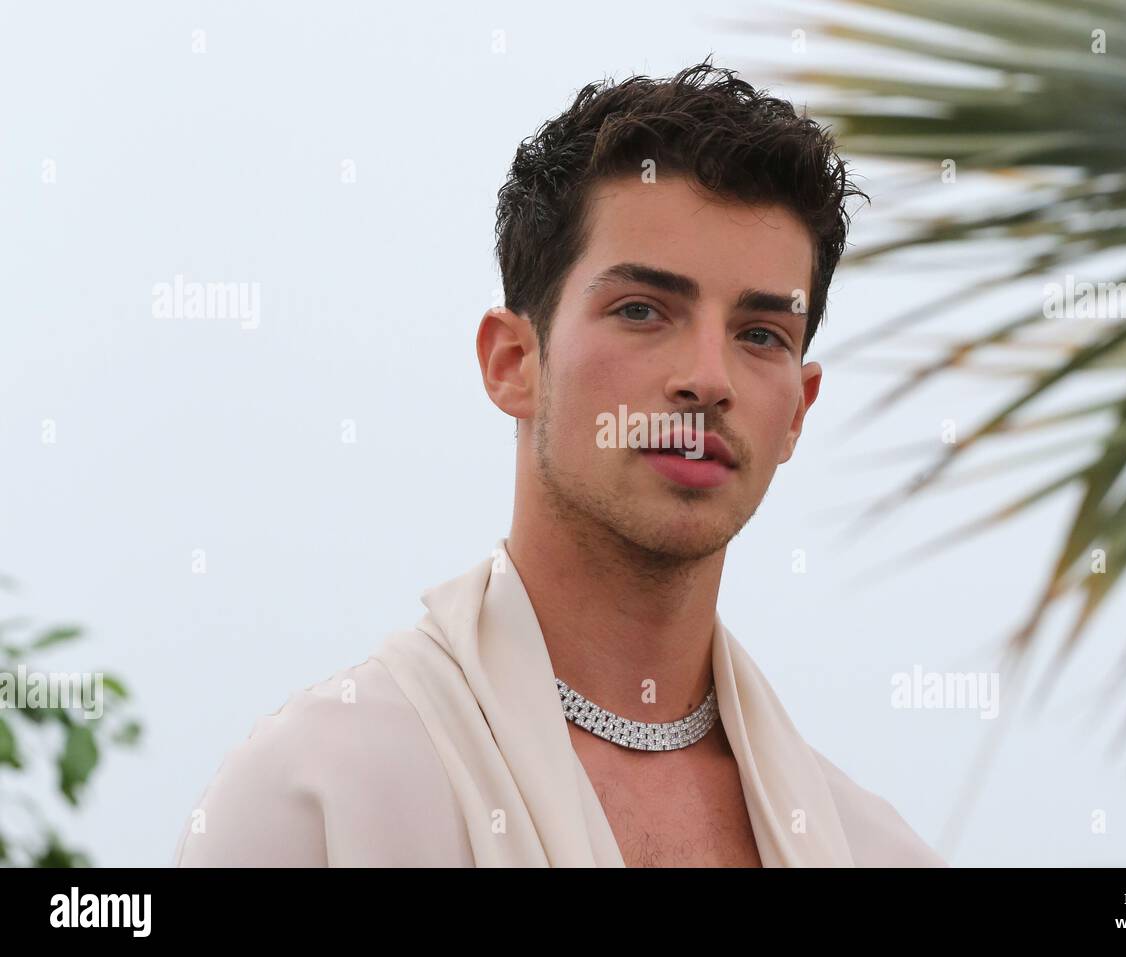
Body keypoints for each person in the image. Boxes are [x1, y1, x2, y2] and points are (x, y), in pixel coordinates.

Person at [174, 60, 946, 868]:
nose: (709, 378)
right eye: (643, 310)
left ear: (798, 410)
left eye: (761, 334)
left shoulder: (872, 849)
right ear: (514, 360)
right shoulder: (321, 797)